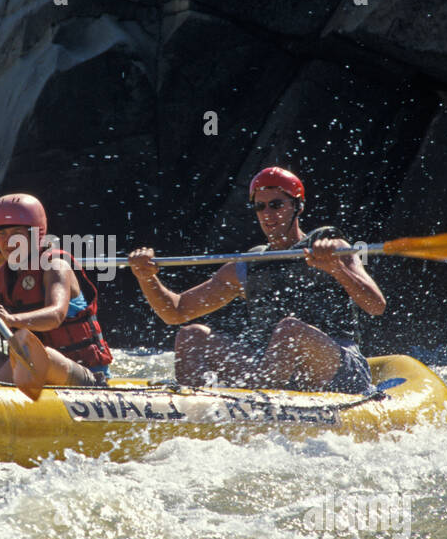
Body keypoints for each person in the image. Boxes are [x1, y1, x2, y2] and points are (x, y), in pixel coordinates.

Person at [127, 166, 385, 393]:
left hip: (337, 366)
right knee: (191, 336)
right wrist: (145, 277)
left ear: (298, 206)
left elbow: (376, 306)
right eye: (260, 206)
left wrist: (337, 268)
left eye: (276, 204)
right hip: (269, 366)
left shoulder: (336, 248)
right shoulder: (247, 266)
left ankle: (258, 405)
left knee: (289, 330)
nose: (267, 213)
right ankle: (198, 413)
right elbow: (176, 311)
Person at [0, 193, 113, 387]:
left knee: (32, 351)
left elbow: (56, 315)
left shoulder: (56, 266)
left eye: (16, 233)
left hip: (82, 376)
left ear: (35, 234)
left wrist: (11, 319)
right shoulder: (4, 277)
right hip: (29, 368)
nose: (8, 241)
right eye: (1, 234)